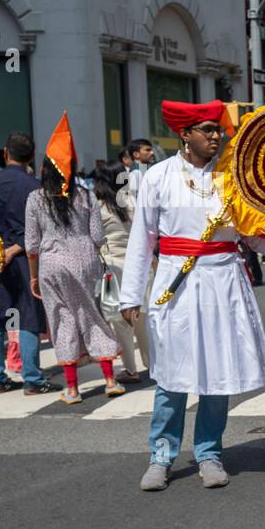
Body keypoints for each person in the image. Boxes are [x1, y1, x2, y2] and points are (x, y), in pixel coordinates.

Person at [120, 100, 265, 491]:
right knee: (172, 376)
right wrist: (130, 296)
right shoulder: (158, 177)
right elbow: (142, 240)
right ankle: (161, 455)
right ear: (185, 135)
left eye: (218, 129)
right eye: (206, 130)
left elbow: (251, 232)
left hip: (224, 282)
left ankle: (209, 452)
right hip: (175, 285)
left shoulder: (235, 178)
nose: (216, 136)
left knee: (217, 375)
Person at [25, 143, 123, 404]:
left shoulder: (35, 198)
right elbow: (98, 236)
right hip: (84, 260)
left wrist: (33, 276)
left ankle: (71, 388)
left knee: (62, 320)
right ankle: (111, 380)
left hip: (51, 264)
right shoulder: (86, 195)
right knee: (91, 315)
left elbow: (32, 244)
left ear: (45, 169)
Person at [0, 131, 54, 394]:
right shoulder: (35, 186)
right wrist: (17, 248)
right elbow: (44, 226)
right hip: (25, 258)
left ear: (5, 154)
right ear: (30, 156)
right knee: (27, 315)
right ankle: (33, 379)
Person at [93, 162, 148, 380]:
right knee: (142, 317)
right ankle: (152, 364)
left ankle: (130, 369)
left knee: (118, 318)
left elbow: (95, 239)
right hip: (139, 266)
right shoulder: (132, 201)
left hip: (111, 267)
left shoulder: (98, 206)